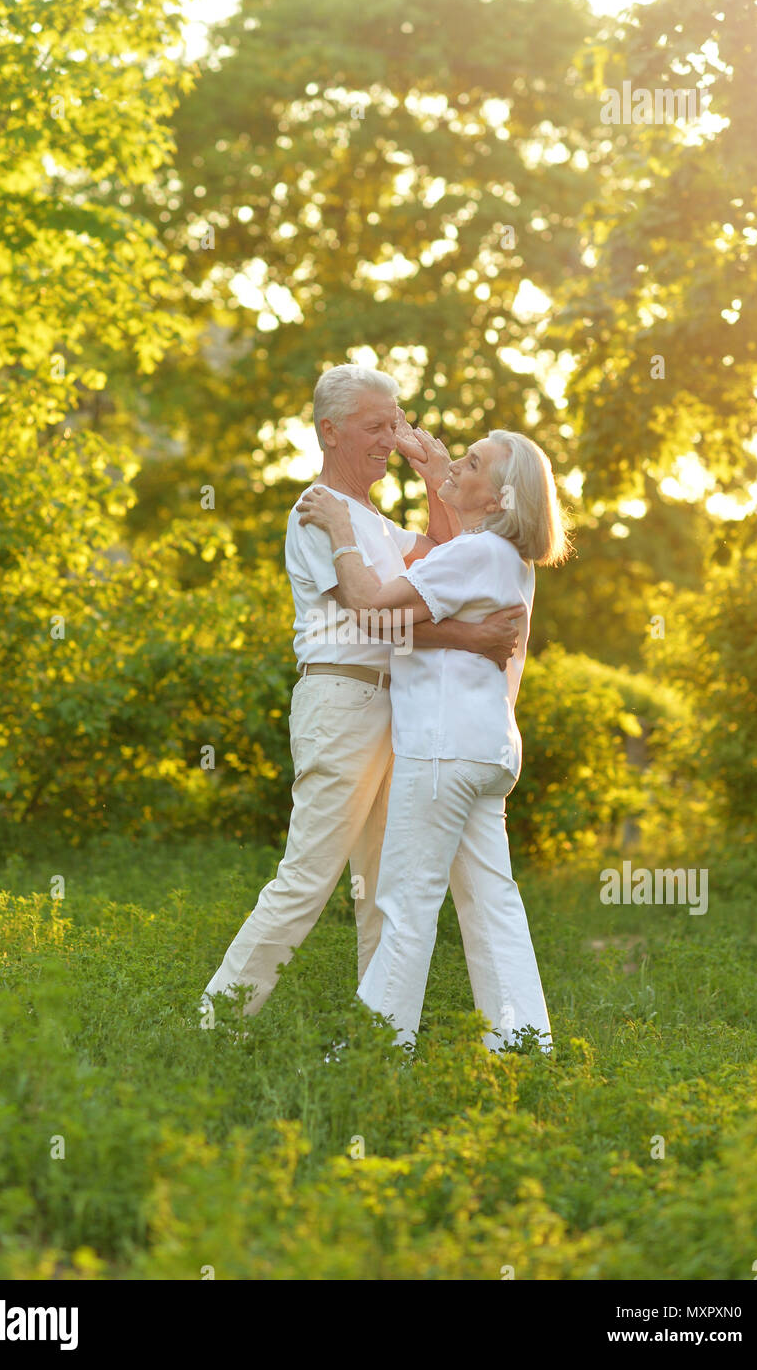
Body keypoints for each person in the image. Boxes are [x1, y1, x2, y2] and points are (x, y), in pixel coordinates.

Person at [200, 365, 523, 1023]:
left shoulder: (371, 520)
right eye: (375, 426)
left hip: (394, 711)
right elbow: (365, 612)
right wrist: (470, 637)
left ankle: (378, 1039)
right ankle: (216, 1024)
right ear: (329, 430)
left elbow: (444, 549)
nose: (388, 437)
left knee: (382, 890)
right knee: (307, 879)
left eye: (394, 422)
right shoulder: (319, 510)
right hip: (341, 703)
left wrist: (429, 468)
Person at [296, 427, 572, 1053]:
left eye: (473, 462)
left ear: (499, 498)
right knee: (490, 902)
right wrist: (439, 474)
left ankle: (375, 1053)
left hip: (443, 748)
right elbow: (416, 611)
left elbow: (369, 607)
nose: (458, 462)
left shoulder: (474, 554)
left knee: (405, 899)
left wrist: (342, 527)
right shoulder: (503, 557)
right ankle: (522, 1044)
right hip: (485, 751)